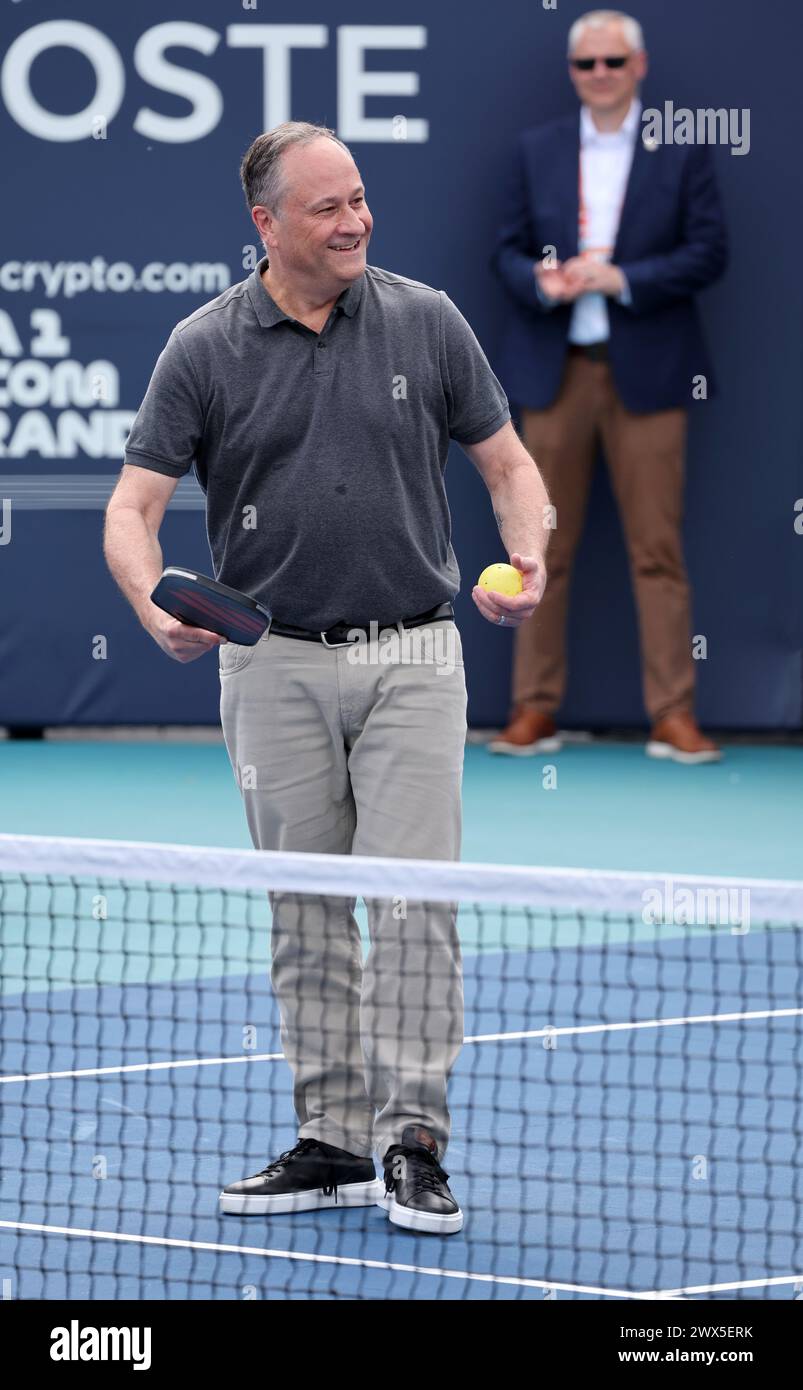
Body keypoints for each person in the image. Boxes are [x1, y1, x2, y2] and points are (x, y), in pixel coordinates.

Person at [104, 122, 549, 1235]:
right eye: (326, 207)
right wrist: (150, 599)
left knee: (412, 909)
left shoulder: (425, 318)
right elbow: (131, 510)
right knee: (304, 913)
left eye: (359, 199)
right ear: (266, 224)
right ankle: (334, 1139)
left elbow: (507, 465)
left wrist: (528, 557)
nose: (354, 221)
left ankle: (411, 1142)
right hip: (270, 663)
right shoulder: (203, 347)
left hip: (412, 655)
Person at [490, 9, 728, 764]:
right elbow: (503, 252)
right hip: (552, 373)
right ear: (572, 73)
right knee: (539, 549)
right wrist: (541, 279)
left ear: (638, 66)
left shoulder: (679, 153)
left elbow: (707, 251)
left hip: (650, 374)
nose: (599, 75)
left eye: (611, 63)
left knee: (655, 549)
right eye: (585, 64)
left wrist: (622, 278)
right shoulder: (537, 151)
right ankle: (533, 711)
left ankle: (672, 715)